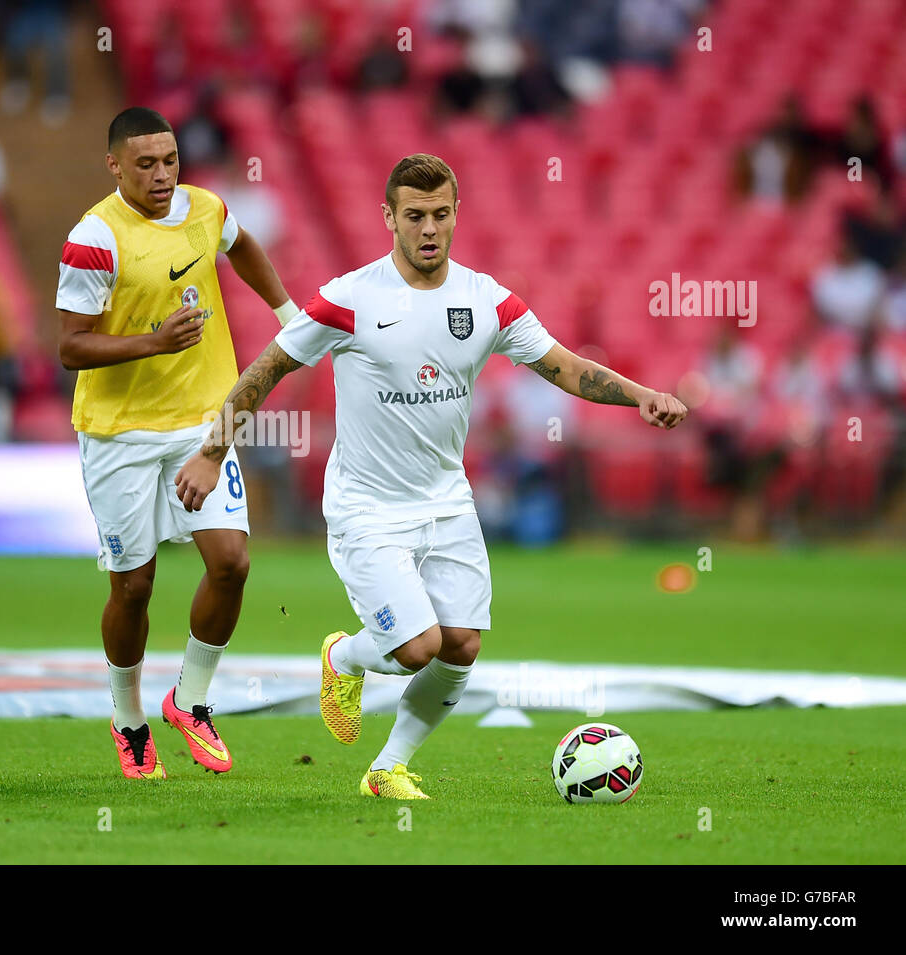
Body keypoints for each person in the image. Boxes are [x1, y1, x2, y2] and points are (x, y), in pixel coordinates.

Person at [175, 154, 687, 799]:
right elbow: (266, 370)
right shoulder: (348, 298)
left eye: (441, 215)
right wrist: (210, 452)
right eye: (414, 216)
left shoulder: (486, 300)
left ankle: (387, 768)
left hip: (447, 503)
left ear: (455, 217)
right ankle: (344, 657)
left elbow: (563, 366)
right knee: (418, 647)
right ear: (388, 218)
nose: (429, 229)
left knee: (462, 646)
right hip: (367, 508)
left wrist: (640, 395)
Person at [56, 107, 297, 780]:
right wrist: (153, 342)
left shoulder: (204, 208)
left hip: (202, 421)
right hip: (120, 433)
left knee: (232, 562)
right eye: (145, 164)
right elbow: (70, 346)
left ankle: (190, 698)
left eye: (169, 161)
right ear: (115, 167)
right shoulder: (94, 238)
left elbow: (240, 242)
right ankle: (129, 718)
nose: (162, 175)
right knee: (133, 587)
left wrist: (287, 314)